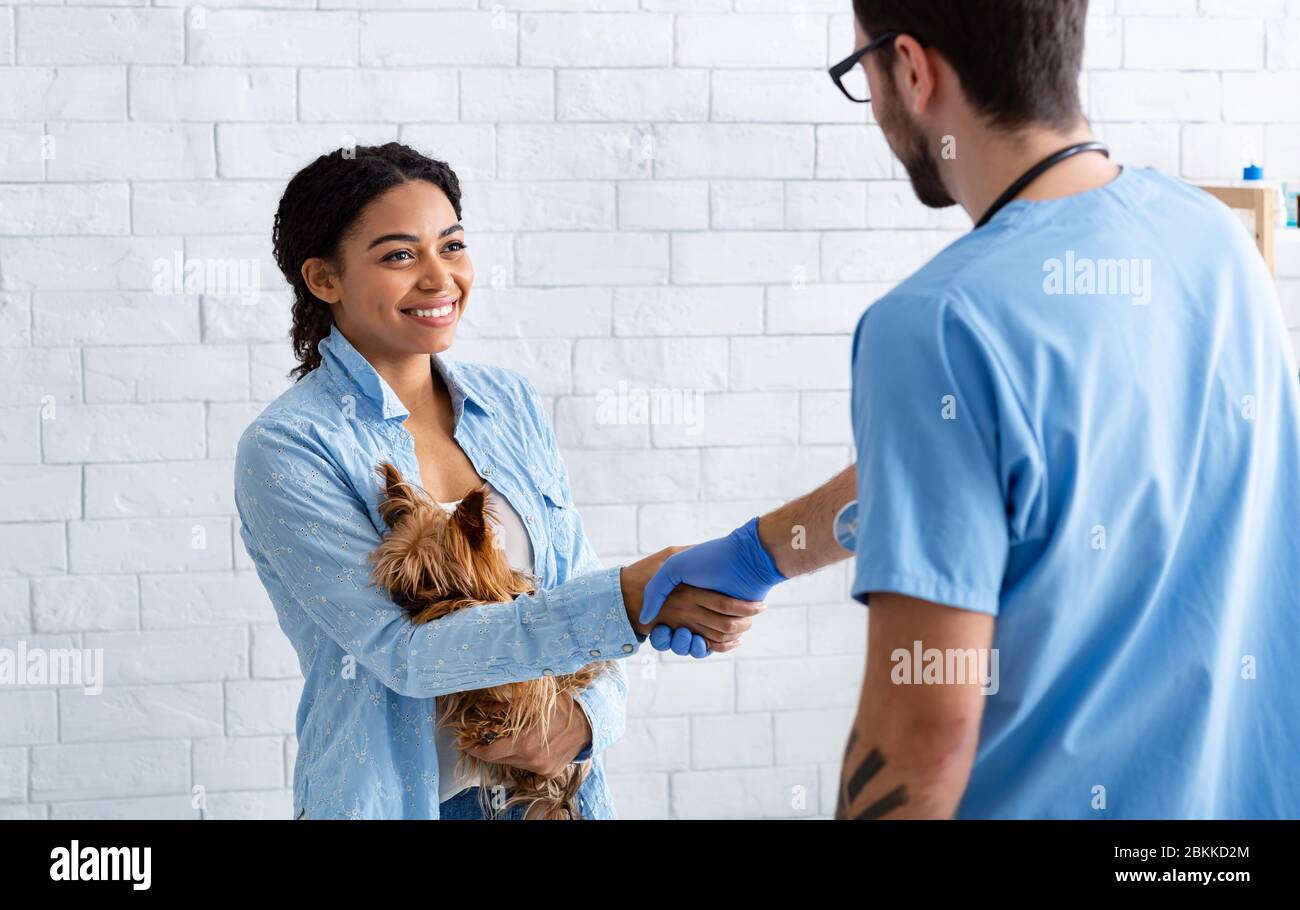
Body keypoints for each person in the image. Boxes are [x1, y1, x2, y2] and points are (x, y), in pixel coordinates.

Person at [642, 0, 1300, 819]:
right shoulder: (1215, 240)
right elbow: (1013, 457)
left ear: (912, 70)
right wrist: (759, 553)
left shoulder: (938, 324)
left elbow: (922, 748)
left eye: (863, 74)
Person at [234, 142, 762, 819]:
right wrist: (631, 601)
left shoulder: (506, 403)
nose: (439, 278)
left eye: (451, 246)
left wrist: (587, 721)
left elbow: (574, 590)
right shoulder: (289, 447)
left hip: (546, 799)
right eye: (400, 255)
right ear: (323, 279)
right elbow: (407, 656)